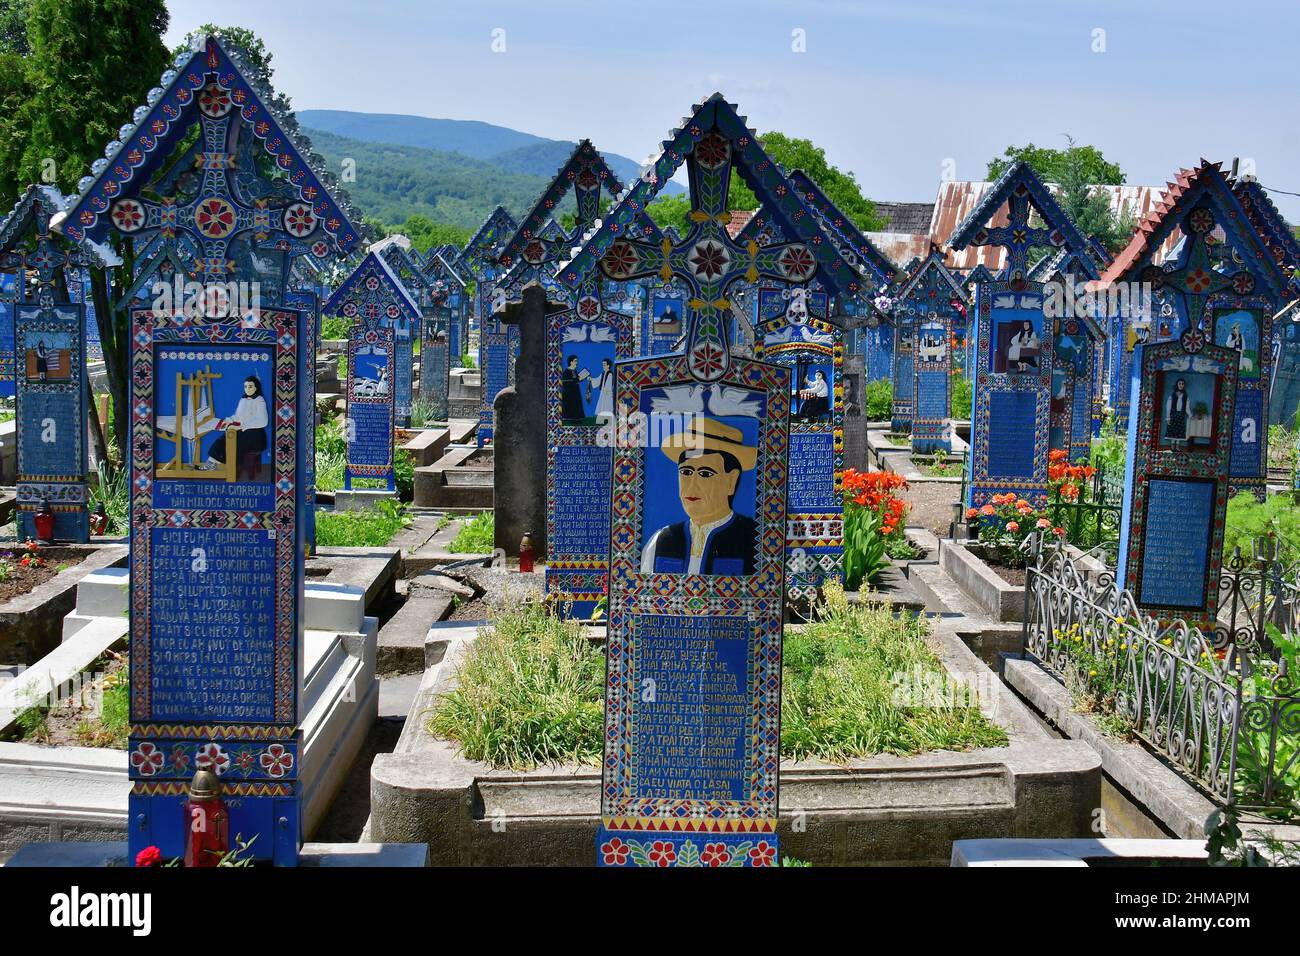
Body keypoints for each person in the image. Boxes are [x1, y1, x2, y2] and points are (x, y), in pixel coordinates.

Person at [641, 417, 757, 576]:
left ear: (731, 480)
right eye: (686, 472)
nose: (692, 485)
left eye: (705, 473)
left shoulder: (755, 539)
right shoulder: (661, 540)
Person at [204, 375, 270, 479]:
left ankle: (233, 471)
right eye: (245, 386)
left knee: (235, 442)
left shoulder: (259, 400)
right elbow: (238, 416)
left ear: (256, 387)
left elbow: (263, 421)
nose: (247, 389)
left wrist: (242, 426)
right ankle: (211, 463)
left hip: (256, 436)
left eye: (250, 386)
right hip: (244, 431)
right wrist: (228, 421)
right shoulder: (243, 400)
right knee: (225, 437)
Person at [560, 354, 591, 423]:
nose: (576, 362)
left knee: (577, 405)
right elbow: (567, 382)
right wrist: (577, 380)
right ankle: (570, 419)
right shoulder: (566, 371)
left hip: (576, 391)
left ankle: (577, 419)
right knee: (571, 405)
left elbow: (577, 379)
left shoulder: (574, 371)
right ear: (571, 362)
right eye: (575, 361)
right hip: (569, 393)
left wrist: (581, 378)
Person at [1164, 377, 1189, 441]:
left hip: (1181, 416)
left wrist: (1190, 415)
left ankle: (1177, 446)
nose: (1181, 385)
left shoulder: (1185, 396)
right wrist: (1168, 417)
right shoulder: (1172, 396)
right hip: (1173, 415)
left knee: (1179, 431)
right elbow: (1168, 406)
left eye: (1182, 384)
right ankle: (1172, 445)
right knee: (1173, 430)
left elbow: (1187, 407)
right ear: (1177, 385)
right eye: (1180, 383)